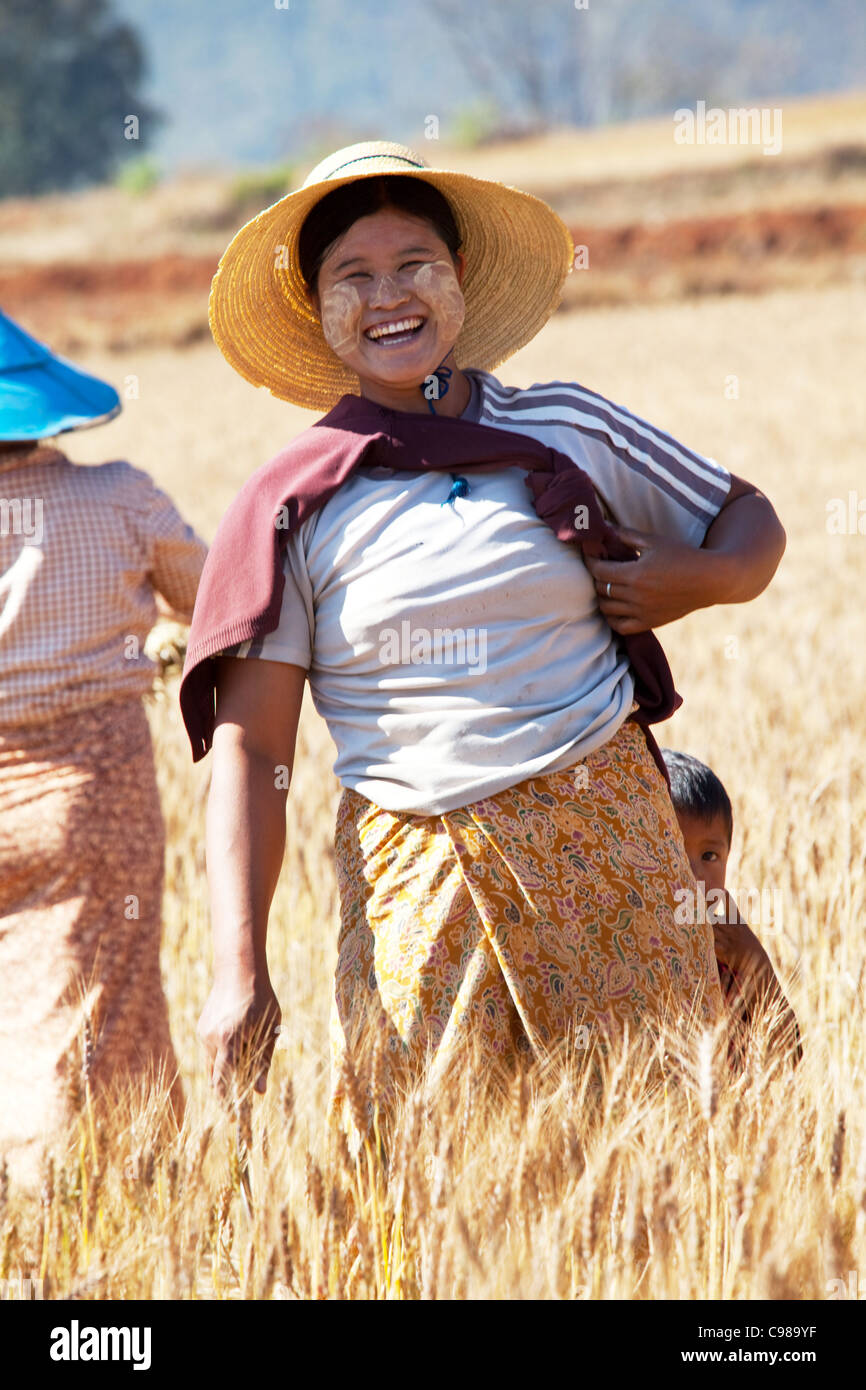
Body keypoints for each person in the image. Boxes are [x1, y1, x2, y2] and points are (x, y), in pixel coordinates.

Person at [184, 141, 786, 1127]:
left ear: (457, 278)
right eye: (353, 275)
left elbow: (744, 517)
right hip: (416, 877)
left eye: (414, 263)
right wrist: (235, 972)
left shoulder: (563, 426)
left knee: (649, 1164)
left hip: (611, 857)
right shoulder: (291, 500)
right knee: (437, 1185)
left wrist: (702, 579)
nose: (390, 296)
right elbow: (251, 752)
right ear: (317, 308)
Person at [0, 310, 208, 1182]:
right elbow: (218, 602)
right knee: (95, 1013)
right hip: (91, 798)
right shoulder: (119, 494)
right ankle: (86, 1215)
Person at [662, 749, 802, 1068]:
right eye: (675, 851)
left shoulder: (730, 944)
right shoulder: (630, 936)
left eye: (709, 856)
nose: (695, 875)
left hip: (725, 1110)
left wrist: (755, 962)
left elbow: (790, 1055)